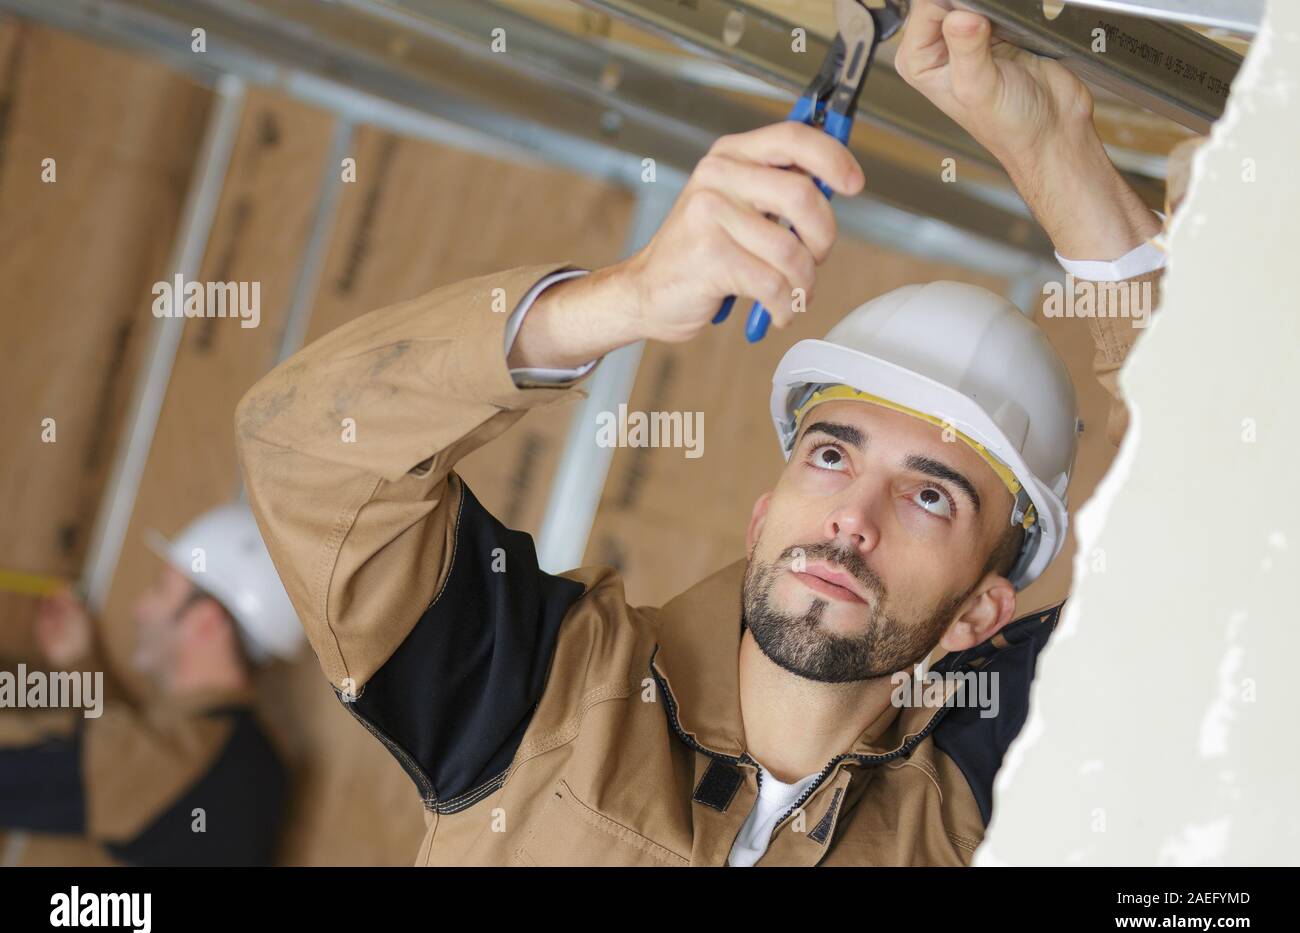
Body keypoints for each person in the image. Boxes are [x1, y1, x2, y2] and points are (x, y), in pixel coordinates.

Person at [234, 0, 1165, 865]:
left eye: (930, 495)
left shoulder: (996, 798)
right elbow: (308, 450)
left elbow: (1253, 542)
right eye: (831, 455)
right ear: (764, 514)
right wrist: (623, 298)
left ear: (979, 616)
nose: (851, 517)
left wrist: (1058, 158)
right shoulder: (546, 702)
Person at [0, 504, 298, 865]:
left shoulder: (179, 761)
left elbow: (107, 758)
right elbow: (131, 750)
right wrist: (80, 662)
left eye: (160, 589)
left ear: (204, 621)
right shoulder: (238, 750)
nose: (140, 608)